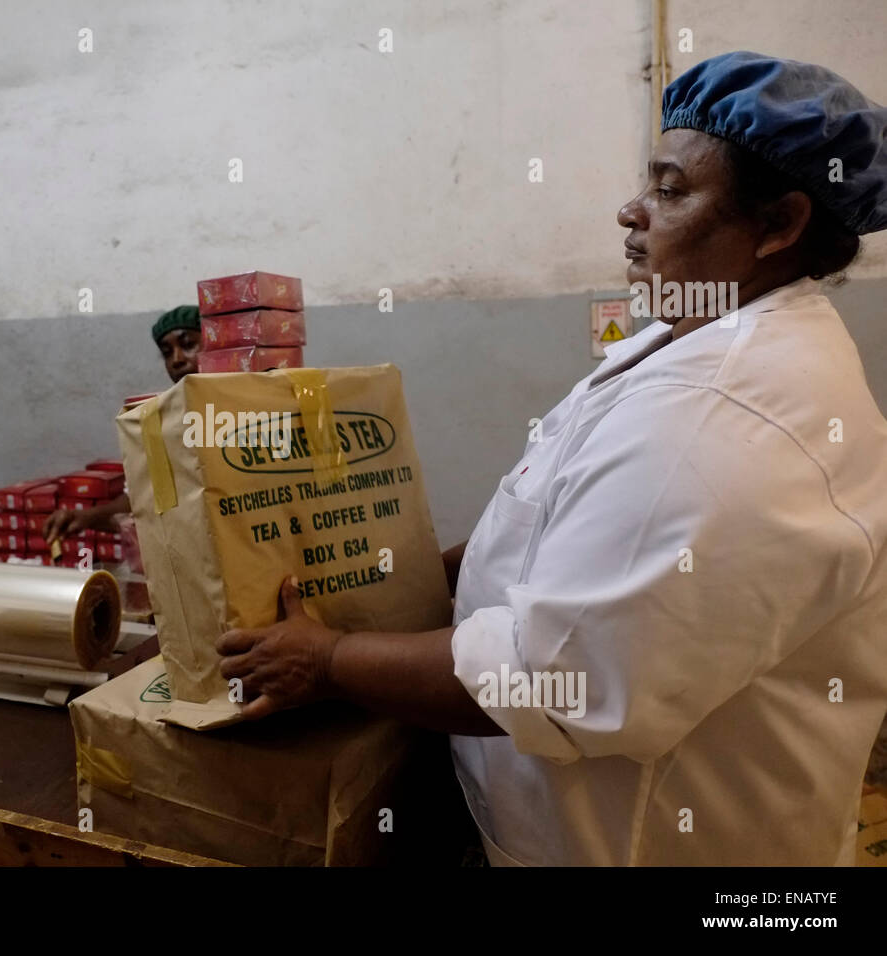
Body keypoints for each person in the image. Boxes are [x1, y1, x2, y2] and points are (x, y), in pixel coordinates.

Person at [216, 51, 887, 865]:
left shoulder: (723, 416)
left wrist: (331, 661)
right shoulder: (671, 347)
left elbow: (553, 681)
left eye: (670, 190)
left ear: (778, 225)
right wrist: (394, 581)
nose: (629, 212)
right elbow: (543, 527)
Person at [43, 305, 200, 542]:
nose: (177, 360)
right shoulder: (161, 422)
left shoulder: (244, 412)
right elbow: (143, 497)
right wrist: (85, 517)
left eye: (188, 345)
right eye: (167, 352)